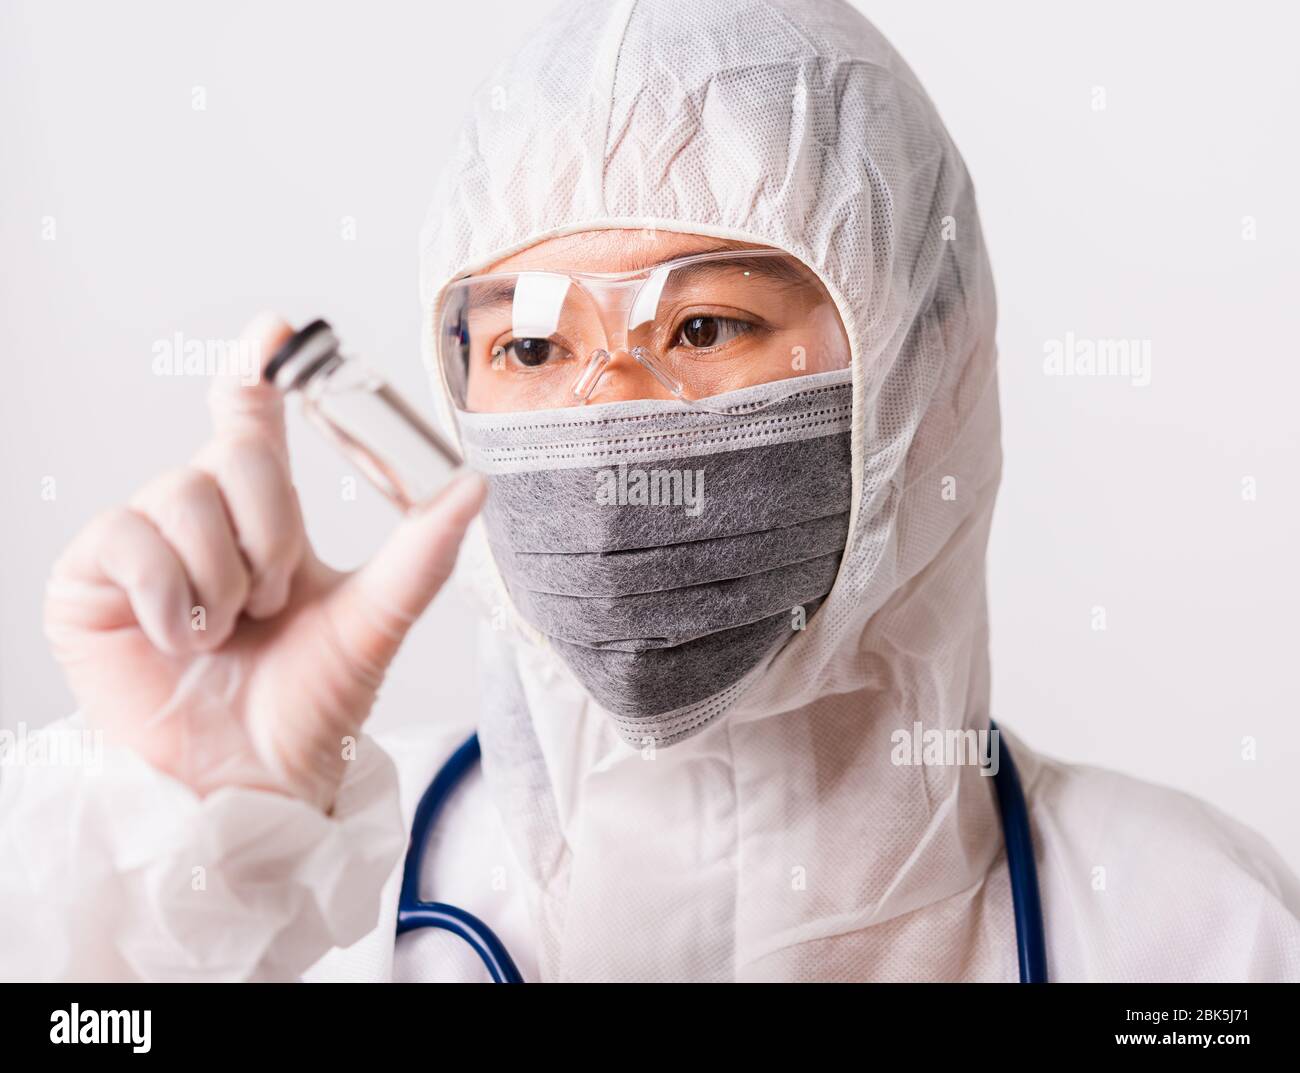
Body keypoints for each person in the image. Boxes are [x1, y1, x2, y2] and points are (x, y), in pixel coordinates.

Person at [2, 0, 1297, 983]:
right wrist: (180, 836)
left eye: (703, 328)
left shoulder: (1198, 935)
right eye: (528, 345)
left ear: (923, 359)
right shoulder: (308, 897)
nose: (610, 412)